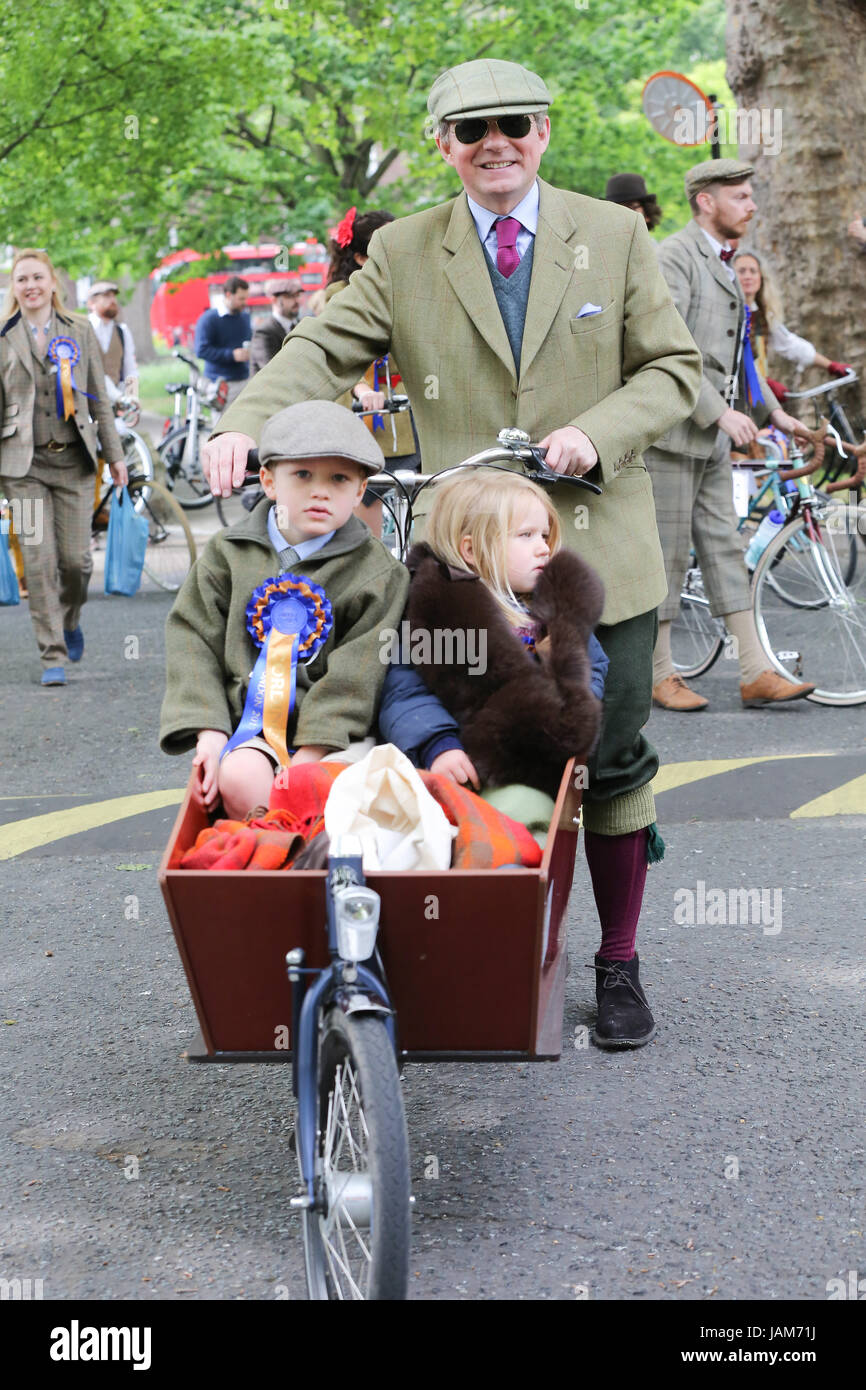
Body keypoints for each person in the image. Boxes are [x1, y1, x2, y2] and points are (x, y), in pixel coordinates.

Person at [201, 57, 705, 1047]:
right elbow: (316, 351)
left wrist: (593, 434)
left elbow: (672, 371)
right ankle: (489, 937)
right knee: (462, 743)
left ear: (544, 130)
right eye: (469, 130)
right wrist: (244, 422)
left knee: (607, 753)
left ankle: (617, 961)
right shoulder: (401, 251)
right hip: (459, 561)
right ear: (442, 144)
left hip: (598, 546)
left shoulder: (610, 235)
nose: (493, 143)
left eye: (512, 122)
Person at [159, 400, 409, 820]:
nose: (320, 491)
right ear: (269, 481)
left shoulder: (379, 573)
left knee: (331, 792)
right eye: (303, 474)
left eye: (340, 478)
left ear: (360, 491)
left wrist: (309, 757)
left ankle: (306, 863)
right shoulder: (227, 554)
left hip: (337, 737)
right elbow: (192, 637)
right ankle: (273, 855)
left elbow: (357, 673)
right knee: (238, 777)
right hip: (248, 729)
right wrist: (210, 732)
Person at [644, 158, 817, 712]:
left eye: (750, 195)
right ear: (705, 201)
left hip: (714, 439)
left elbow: (738, 357)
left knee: (724, 549)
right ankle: (659, 675)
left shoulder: (727, 263)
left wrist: (775, 414)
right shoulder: (672, 257)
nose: (752, 205)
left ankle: (754, 670)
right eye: (740, 196)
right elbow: (661, 348)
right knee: (667, 557)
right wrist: (719, 413)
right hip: (671, 434)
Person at [378, 470, 609, 803]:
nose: (543, 548)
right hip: (458, 764)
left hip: (541, 758)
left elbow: (593, 665)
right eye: (526, 535)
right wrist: (438, 744)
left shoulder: (555, 608)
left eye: (544, 535)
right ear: (471, 550)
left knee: (528, 818)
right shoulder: (438, 611)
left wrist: (574, 699)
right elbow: (405, 691)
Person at [0, 249, 127, 686]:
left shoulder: (80, 329)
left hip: (74, 465)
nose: (30, 286)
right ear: (14, 288)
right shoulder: (2, 335)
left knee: (76, 563)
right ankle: (51, 653)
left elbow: (100, 400)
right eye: (22, 280)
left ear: (52, 283)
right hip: (24, 469)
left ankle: (70, 619)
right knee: (38, 560)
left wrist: (117, 456)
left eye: (37, 277)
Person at [731, 251, 852, 391]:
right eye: (741, 271)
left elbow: (791, 345)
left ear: (761, 278)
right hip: (732, 389)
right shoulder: (727, 313)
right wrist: (765, 383)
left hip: (756, 393)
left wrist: (831, 366)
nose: (748, 276)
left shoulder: (763, 315)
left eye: (753, 271)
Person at [193, 275, 251, 408]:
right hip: (219, 383)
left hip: (244, 380)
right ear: (229, 295)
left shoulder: (245, 318)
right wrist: (231, 355)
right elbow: (201, 350)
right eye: (241, 298)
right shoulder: (209, 319)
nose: (245, 302)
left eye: (246, 298)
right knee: (222, 426)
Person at [86, 280, 139, 405]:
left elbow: (130, 369)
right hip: (88, 404)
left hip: (116, 405)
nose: (112, 300)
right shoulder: (82, 329)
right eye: (106, 296)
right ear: (91, 303)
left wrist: (131, 397)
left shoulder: (122, 331)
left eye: (113, 296)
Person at [250, 280, 303, 374]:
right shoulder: (263, 331)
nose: (296, 301)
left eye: (297, 295)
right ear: (274, 300)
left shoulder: (301, 325)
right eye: (290, 297)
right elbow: (272, 371)